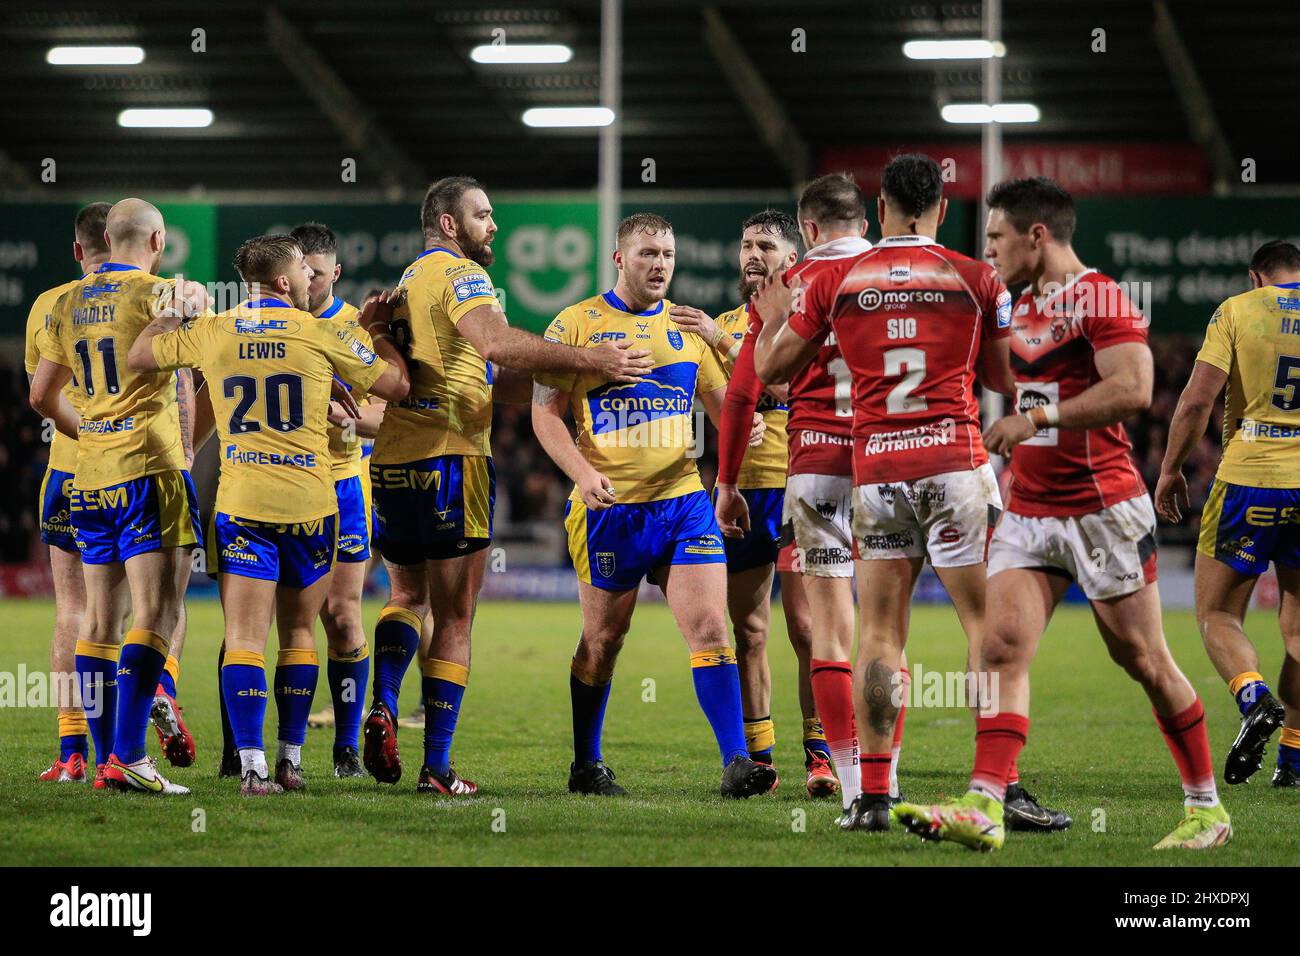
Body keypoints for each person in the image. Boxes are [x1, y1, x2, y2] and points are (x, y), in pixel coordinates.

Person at [892, 175, 1228, 851]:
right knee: (998, 646)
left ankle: (1206, 809)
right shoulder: (1016, 303)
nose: (986, 249)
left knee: (1142, 658)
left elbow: (1134, 387)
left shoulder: (1101, 296)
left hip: (1102, 509)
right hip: (1030, 509)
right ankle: (984, 803)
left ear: (1035, 235)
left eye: (994, 236)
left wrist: (1037, 416)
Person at [363, 176, 653, 795]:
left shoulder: (412, 280)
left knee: (404, 594)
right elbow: (496, 343)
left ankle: (383, 702)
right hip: (452, 459)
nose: (494, 225)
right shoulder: (461, 275)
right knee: (458, 616)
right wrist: (592, 360)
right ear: (449, 224)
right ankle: (436, 768)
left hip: (392, 460)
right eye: (483, 215)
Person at [753, 155, 1017, 832]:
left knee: (874, 631)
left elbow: (774, 370)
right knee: (986, 627)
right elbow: (1000, 380)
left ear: (879, 210)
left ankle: (871, 796)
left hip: (874, 466)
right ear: (944, 208)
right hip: (954, 461)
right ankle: (995, 787)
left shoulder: (841, 276)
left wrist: (777, 316)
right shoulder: (977, 275)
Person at [131, 233, 410, 795]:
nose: (312, 282)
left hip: (242, 505)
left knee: (242, 638)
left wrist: (169, 313)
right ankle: (290, 758)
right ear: (285, 281)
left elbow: (139, 357)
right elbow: (397, 386)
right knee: (301, 632)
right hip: (310, 506)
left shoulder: (215, 329)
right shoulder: (321, 330)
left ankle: (251, 764)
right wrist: (379, 332)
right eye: (305, 275)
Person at [532, 211, 774, 798]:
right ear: (620, 259)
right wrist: (583, 472)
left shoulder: (689, 328)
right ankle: (586, 765)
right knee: (603, 643)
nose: (659, 264)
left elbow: (726, 407)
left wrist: (747, 427)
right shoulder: (575, 324)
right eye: (647, 254)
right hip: (610, 509)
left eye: (667, 254)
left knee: (713, 628)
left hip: (683, 502)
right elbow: (544, 412)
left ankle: (737, 762)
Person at [30, 198, 208, 795]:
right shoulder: (163, 294)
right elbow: (190, 374)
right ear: (157, 240)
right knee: (157, 615)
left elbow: (40, 396)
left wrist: (93, 429)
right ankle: (130, 756)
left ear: (103, 240)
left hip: (89, 477)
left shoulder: (66, 301)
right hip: (150, 471)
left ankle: (105, 759)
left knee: (99, 622)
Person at [674, 208, 836, 797]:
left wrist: (727, 346)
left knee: (808, 628)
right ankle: (757, 758)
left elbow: (802, 385)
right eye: (745, 244)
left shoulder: (812, 317)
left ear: (792, 259)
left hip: (804, 493)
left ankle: (820, 755)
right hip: (740, 496)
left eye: (766, 245)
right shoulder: (717, 323)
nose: (752, 255)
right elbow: (708, 401)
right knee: (749, 629)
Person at [1156, 238, 1300, 792]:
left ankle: (1254, 697)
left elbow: (1195, 401)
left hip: (1248, 480)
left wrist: (1170, 470)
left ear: (1255, 277)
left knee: (1217, 616)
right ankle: (1293, 758)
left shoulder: (1238, 310)